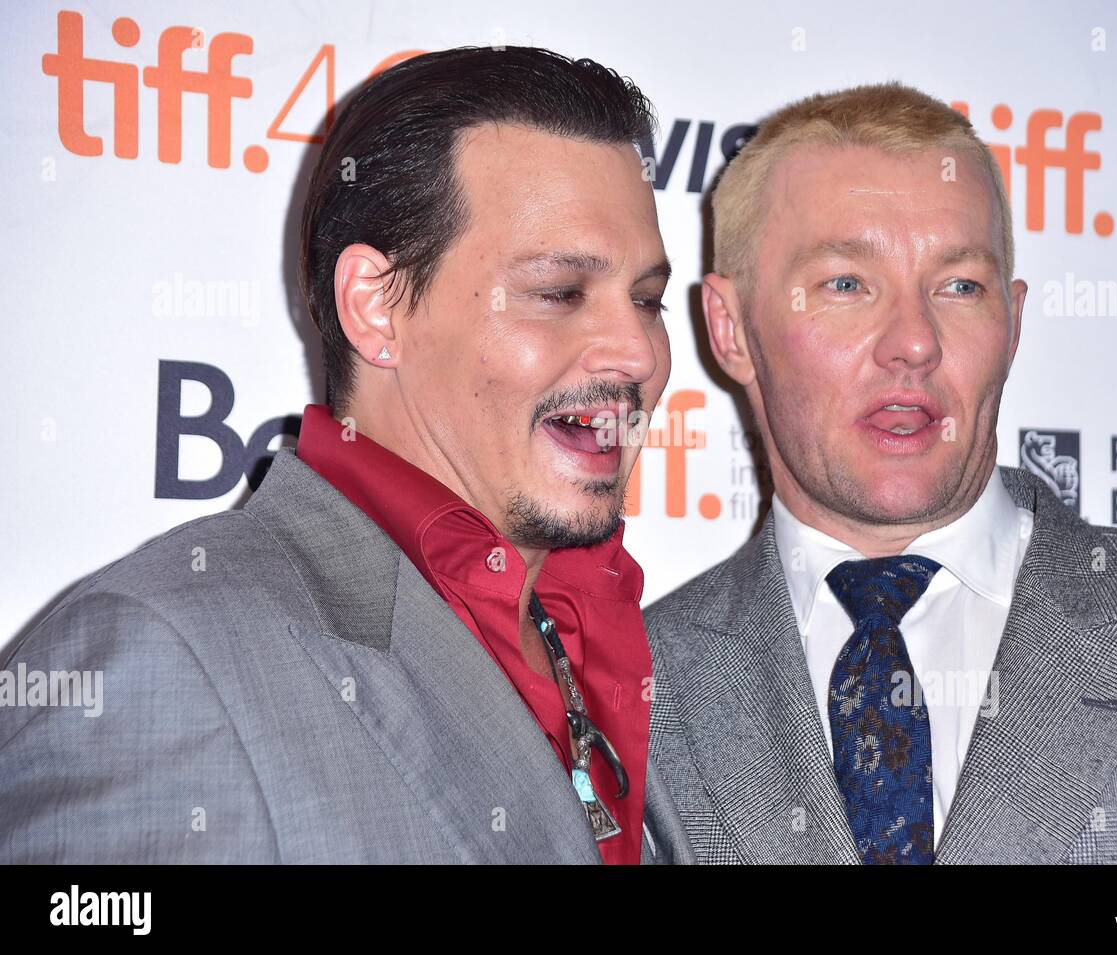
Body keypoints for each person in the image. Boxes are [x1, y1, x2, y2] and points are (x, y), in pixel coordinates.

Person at [0, 46, 692, 864]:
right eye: (557, 293)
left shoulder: (616, 631)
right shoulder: (162, 660)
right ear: (375, 309)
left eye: (645, 300)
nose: (639, 354)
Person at [645, 81, 1117, 864]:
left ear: (1013, 323)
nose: (914, 342)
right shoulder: (634, 689)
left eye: (960, 286)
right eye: (847, 284)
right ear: (732, 328)